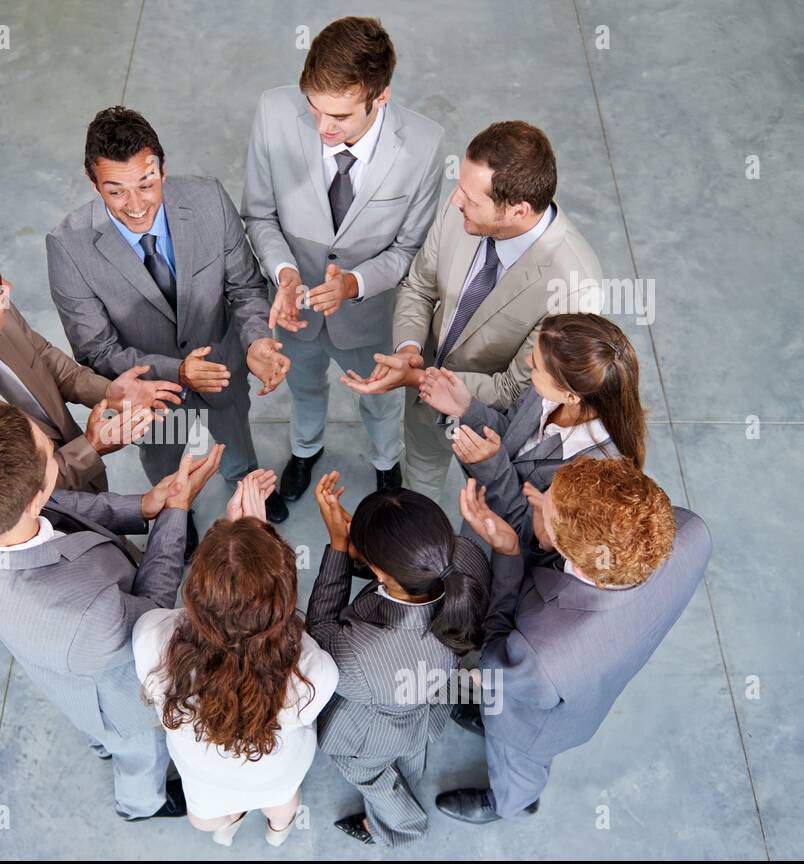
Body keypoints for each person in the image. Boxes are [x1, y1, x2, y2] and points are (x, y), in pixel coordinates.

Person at [0, 402, 225, 821]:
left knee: (92, 727)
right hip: (116, 696)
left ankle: (99, 741)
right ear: (31, 501)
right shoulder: (88, 618)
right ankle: (139, 805)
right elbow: (151, 610)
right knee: (138, 750)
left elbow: (56, 506)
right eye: (50, 459)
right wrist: (175, 513)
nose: (58, 459)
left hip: (52, 663)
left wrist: (145, 506)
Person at [47, 106, 292, 528]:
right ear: (93, 183)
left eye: (147, 183)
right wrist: (179, 373)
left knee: (235, 434)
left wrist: (254, 340)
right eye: (116, 191)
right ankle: (176, 513)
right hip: (150, 394)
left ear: (163, 167)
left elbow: (246, 287)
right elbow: (96, 350)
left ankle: (243, 481)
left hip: (224, 366)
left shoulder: (209, 199)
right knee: (163, 456)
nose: (136, 205)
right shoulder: (68, 246)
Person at [343, 121, 603, 502]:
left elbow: (515, 389)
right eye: (459, 188)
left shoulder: (575, 288)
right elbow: (418, 285)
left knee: (483, 517)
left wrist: (420, 380)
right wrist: (409, 353)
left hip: (493, 431)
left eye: (470, 197)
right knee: (421, 484)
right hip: (425, 403)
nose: (454, 201)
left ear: (518, 211)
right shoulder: (461, 214)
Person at [438, 462, 712, 823]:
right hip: (600, 671)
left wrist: (507, 553)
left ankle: (511, 803)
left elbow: (494, 661)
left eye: (544, 510)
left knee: (516, 763)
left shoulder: (543, 657)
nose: (538, 501)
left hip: (534, 725)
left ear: (576, 560)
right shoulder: (692, 530)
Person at [241, 15, 445, 500]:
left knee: (380, 404)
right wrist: (285, 274)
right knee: (306, 388)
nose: (322, 127)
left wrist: (354, 283)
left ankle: (385, 461)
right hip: (292, 311)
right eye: (314, 109)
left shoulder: (424, 146)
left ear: (381, 96)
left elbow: (408, 251)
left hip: (371, 314)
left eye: (340, 117)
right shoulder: (272, 112)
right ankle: (306, 448)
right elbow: (259, 215)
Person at [0, 229, 181, 491]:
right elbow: (11, 507)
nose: (8, 290)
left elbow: (42, 356)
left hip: (92, 489)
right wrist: (90, 449)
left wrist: (106, 392)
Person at [133, 473, 337, 846]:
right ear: (284, 598)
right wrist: (252, 536)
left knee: (205, 819)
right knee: (283, 802)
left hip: (204, 772)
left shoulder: (153, 640)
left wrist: (241, 537)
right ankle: (278, 833)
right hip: (276, 768)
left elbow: (193, 617)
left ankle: (229, 825)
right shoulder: (314, 670)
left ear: (195, 590)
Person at [308, 473, 490, 847]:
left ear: (379, 572)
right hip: (434, 694)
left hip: (376, 730)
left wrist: (340, 546)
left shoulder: (360, 654)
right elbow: (406, 577)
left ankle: (398, 828)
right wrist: (366, 551)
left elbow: (320, 633)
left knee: (373, 776)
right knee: (412, 753)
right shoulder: (464, 558)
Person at [418, 312, 645, 546]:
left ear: (570, 395)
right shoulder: (547, 393)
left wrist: (492, 466)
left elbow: (533, 535)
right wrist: (467, 409)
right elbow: (511, 434)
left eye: (536, 366)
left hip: (504, 551)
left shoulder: (596, 471)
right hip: (482, 516)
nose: (527, 362)